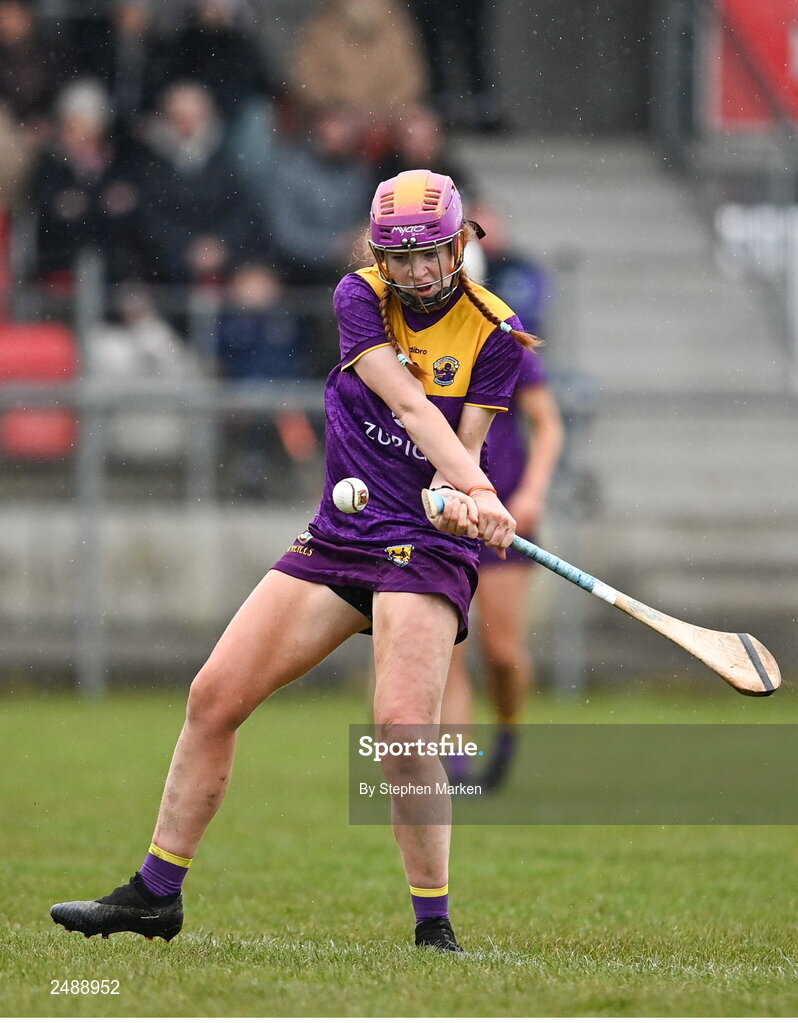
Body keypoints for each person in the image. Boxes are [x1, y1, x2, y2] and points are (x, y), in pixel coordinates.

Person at [49, 169, 537, 954]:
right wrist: (478, 484)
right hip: (340, 539)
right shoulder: (358, 296)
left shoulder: (499, 334)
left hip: (425, 546)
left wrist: (463, 495)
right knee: (214, 694)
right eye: (398, 257)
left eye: (428, 256)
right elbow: (409, 404)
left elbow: (462, 448)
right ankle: (154, 894)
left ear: (459, 246)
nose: (413, 273)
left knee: (404, 729)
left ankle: (433, 924)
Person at [441, 202, 564, 790]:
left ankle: (509, 730)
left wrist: (533, 493)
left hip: (505, 513)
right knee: (447, 644)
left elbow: (548, 424)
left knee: (502, 650)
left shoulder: (504, 339)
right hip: (448, 515)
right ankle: (456, 763)